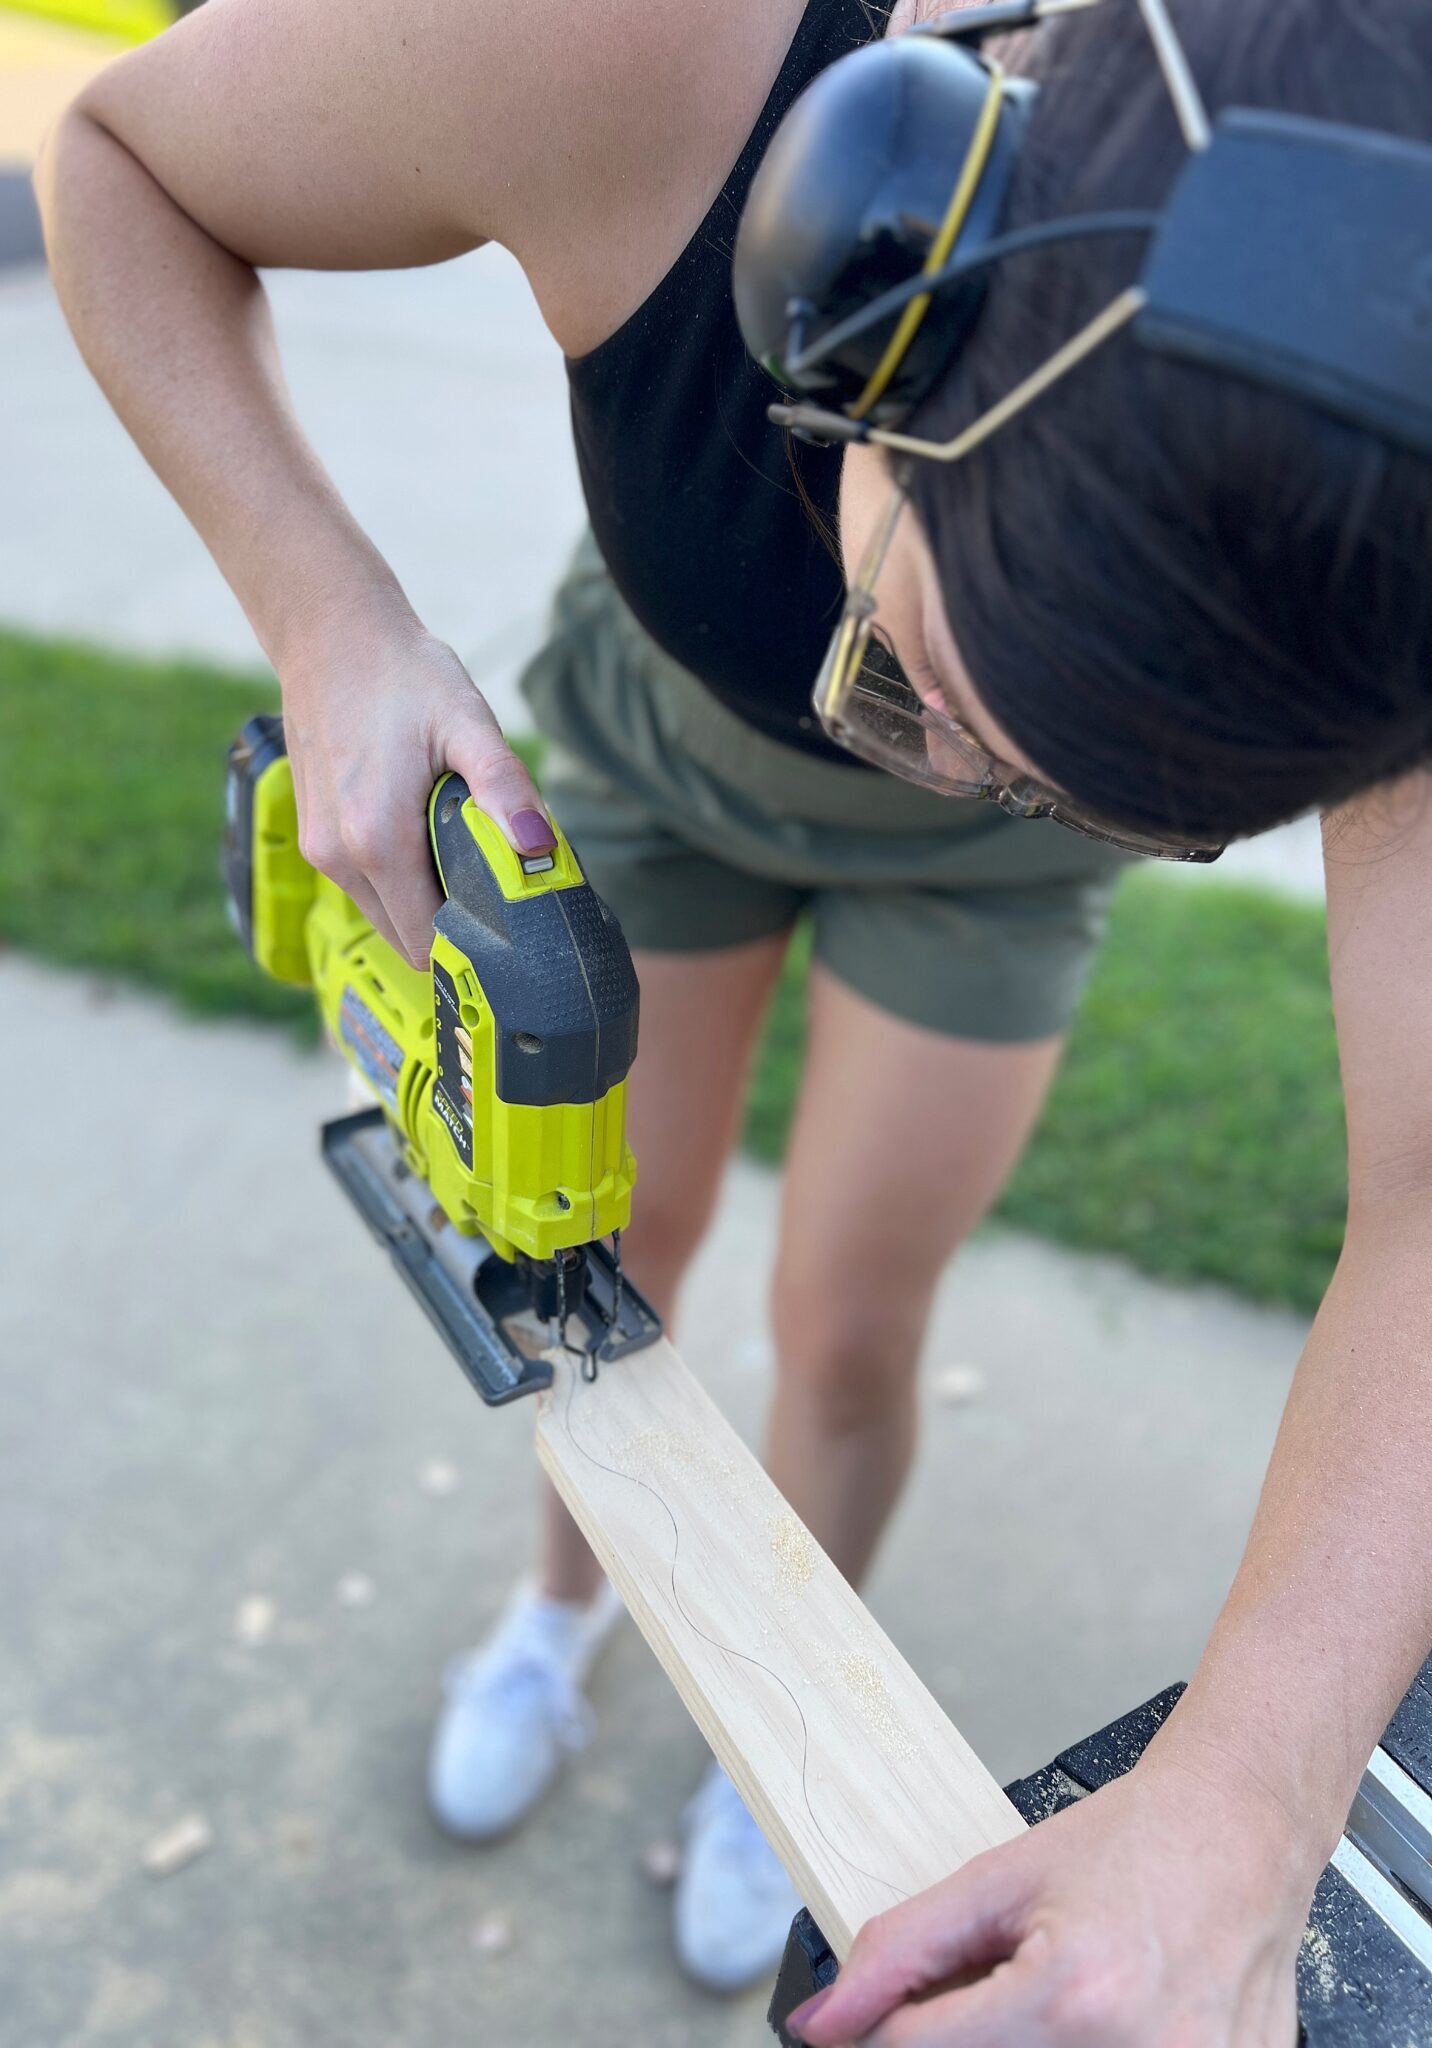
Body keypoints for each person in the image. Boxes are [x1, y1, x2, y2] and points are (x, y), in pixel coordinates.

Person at [35, 0, 1432, 2037]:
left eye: (1044, 761)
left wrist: (1237, 1815)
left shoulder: (1395, 460)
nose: (927, 753)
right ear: (863, 256)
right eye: (913, 678)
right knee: (605, 1252)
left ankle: (747, 1759)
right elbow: (120, 163)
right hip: (658, 747)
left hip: (990, 916)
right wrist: (326, 618)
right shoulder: (635, 45)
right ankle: (550, 1612)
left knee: (851, 1326)